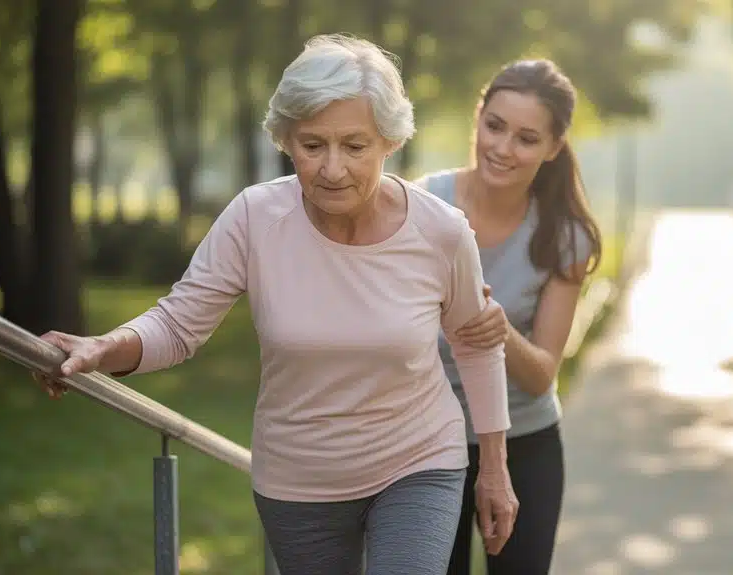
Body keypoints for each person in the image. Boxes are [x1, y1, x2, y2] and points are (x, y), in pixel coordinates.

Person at [31, 34, 519, 575]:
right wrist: (101, 347)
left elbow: (477, 345)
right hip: (299, 479)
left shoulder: (441, 232)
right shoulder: (255, 219)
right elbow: (177, 326)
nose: (333, 169)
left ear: (389, 141)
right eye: (313, 145)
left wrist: (494, 468)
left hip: (419, 462)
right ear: (285, 140)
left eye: (355, 147)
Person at [415, 59, 602, 575]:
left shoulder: (564, 236)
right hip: (426, 445)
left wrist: (495, 327)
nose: (501, 147)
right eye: (494, 126)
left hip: (526, 445)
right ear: (477, 118)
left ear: (553, 147)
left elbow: (542, 374)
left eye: (525, 138)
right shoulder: (423, 204)